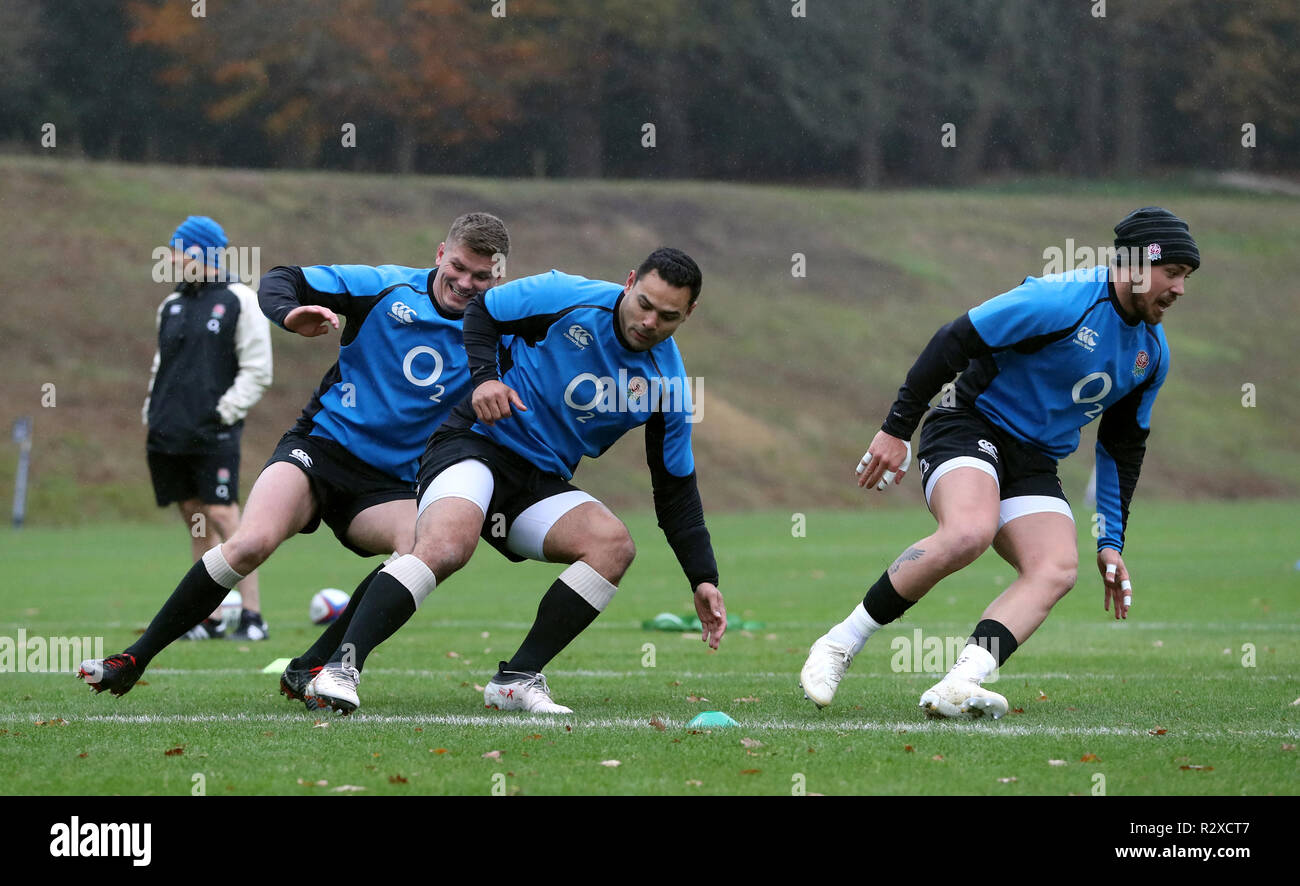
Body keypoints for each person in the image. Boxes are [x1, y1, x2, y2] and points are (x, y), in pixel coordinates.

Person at [78, 212, 511, 697]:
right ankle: (135, 657)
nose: (465, 282)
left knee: (421, 551)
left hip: (387, 484)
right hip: (319, 449)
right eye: (458, 266)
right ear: (439, 254)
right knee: (249, 544)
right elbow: (281, 279)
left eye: (481, 275)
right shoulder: (385, 289)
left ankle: (314, 665)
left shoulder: (500, 329)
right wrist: (290, 314)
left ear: (499, 276)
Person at [799, 207, 1199, 719]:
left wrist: (1111, 543)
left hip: (1034, 460)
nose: (1180, 289)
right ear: (1137, 265)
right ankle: (839, 644)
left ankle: (959, 684)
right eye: (1173, 273)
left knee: (1055, 568)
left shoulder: (1152, 355)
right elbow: (955, 339)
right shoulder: (1058, 299)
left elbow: (1121, 449)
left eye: (1186, 277)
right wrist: (897, 428)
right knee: (969, 532)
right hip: (969, 423)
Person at [305, 247, 727, 715]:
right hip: (474, 442)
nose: (649, 321)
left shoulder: (668, 384)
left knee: (613, 545)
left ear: (688, 314)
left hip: (537, 480)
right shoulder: (567, 295)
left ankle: (517, 679)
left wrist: (702, 577)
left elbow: (675, 489)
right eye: (644, 304)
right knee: (446, 547)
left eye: (667, 316)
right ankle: (340, 669)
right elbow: (483, 310)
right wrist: (485, 378)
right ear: (629, 282)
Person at [142, 216, 272, 641]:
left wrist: (223, 412)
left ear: (199, 252)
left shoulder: (240, 299)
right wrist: (152, 410)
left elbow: (257, 370)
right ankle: (207, 617)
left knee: (222, 514)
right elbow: (162, 367)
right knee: (195, 517)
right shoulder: (172, 305)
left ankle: (252, 615)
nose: (173, 259)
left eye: (178, 250)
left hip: (214, 432)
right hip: (169, 432)